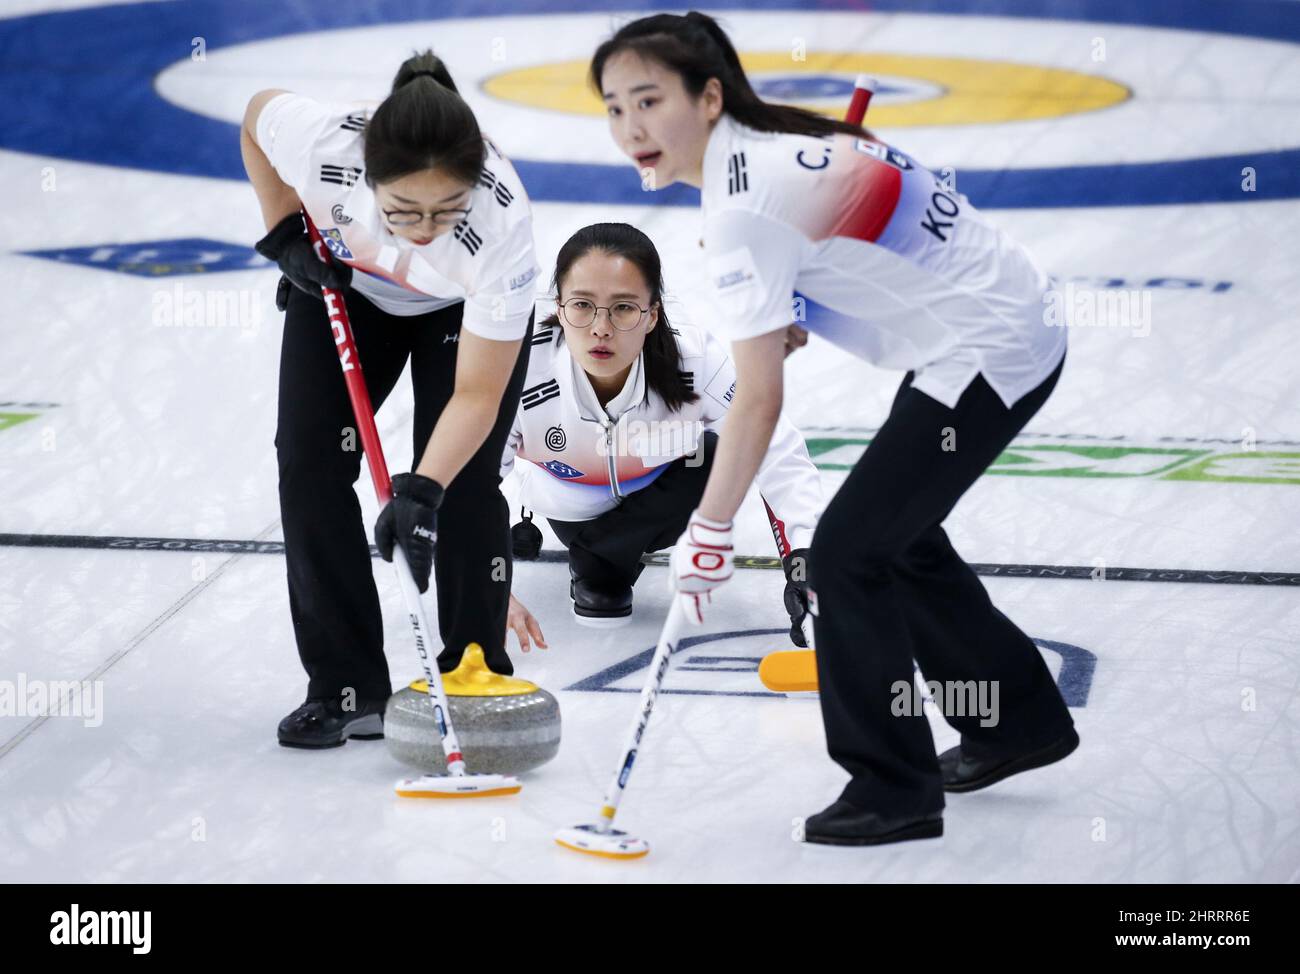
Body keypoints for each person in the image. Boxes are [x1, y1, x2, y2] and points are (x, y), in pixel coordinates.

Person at [591, 12, 1079, 845]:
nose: (632, 128)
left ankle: (892, 788)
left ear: (709, 98)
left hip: (989, 347)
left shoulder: (744, 203)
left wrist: (709, 527)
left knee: (850, 552)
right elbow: (853, 251)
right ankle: (1015, 721)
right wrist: (799, 301)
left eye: (649, 100)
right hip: (993, 320)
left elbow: (756, 400)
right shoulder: (775, 143)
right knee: (900, 536)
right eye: (613, 107)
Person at [240, 50, 540, 748]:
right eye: (403, 209)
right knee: (310, 465)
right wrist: (285, 230)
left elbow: (477, 393)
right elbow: (254, 116)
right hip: (346, 288)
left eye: (446, 210)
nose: (425, 228)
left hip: (455, 311)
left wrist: (421, 491)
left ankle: (472, 668)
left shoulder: (504, 226)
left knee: (463, 480)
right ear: (368, 175)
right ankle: (346, 687)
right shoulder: (322, 144)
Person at [501, 222, 821, 645]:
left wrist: (806, 561)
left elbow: (775, 450)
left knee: (716, 453)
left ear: (652, 314)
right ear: (558, 307)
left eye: (623, 308)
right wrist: (486, 581)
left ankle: (605, 560)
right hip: (572, 512)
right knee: (600, 566)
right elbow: (472, 482)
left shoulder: (694, 360)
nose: (601, 328)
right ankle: (597, 564)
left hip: (668, 493)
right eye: (582, 305)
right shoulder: (519, 366)